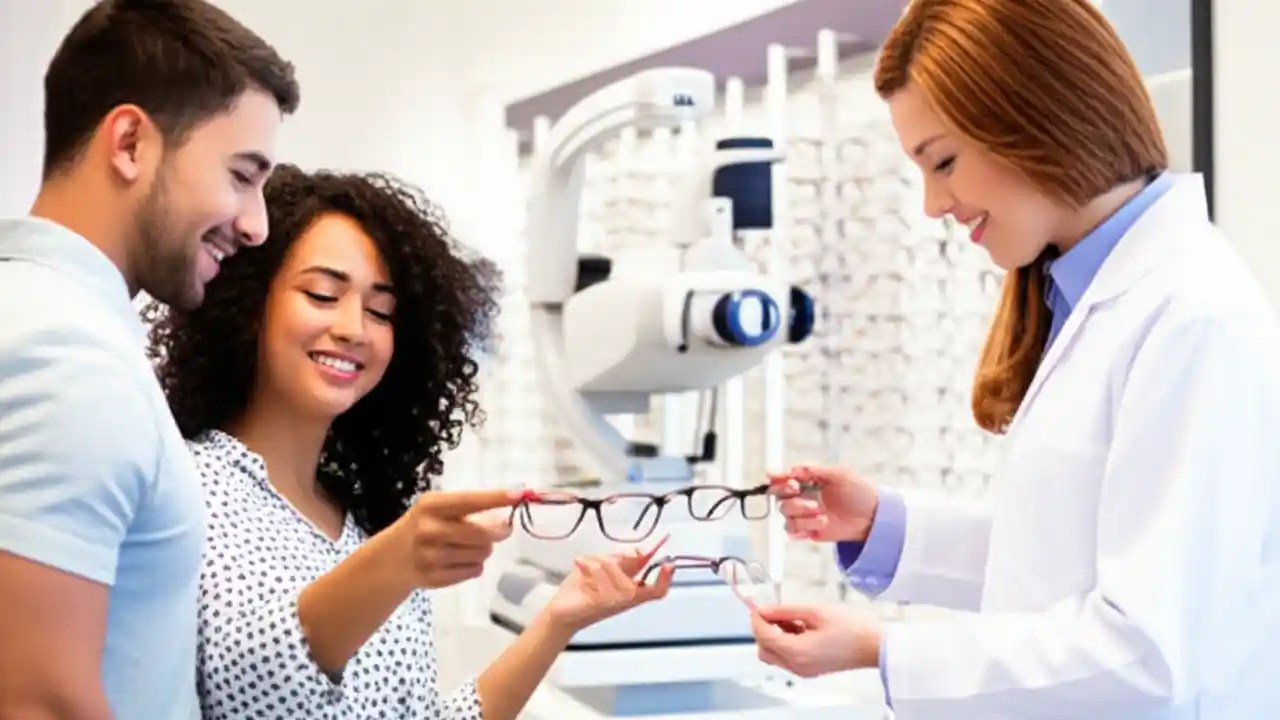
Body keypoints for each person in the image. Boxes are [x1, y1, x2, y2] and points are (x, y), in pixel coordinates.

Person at [752, 1, 1280, 718]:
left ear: (1036, 118)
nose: (934, 204)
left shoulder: (1191, 316)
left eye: (943, 162)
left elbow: (1147, 654)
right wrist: (884, 525)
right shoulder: (1094, 299)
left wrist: (885, 651)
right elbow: (1065, 559)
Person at [145, 163, 676, 719]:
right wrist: (394, 564)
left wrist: (559, 620)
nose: (354, 328)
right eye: (323, 294)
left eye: (380, 311)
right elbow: (248, 691)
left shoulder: (362, 524)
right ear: (250, 305)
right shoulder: (188, 488)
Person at [0, 1, 300, 718]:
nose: (257, 224)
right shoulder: (70, 362)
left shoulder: (40, 316)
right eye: (240, 175)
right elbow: (39, 703)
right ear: (131, 142)